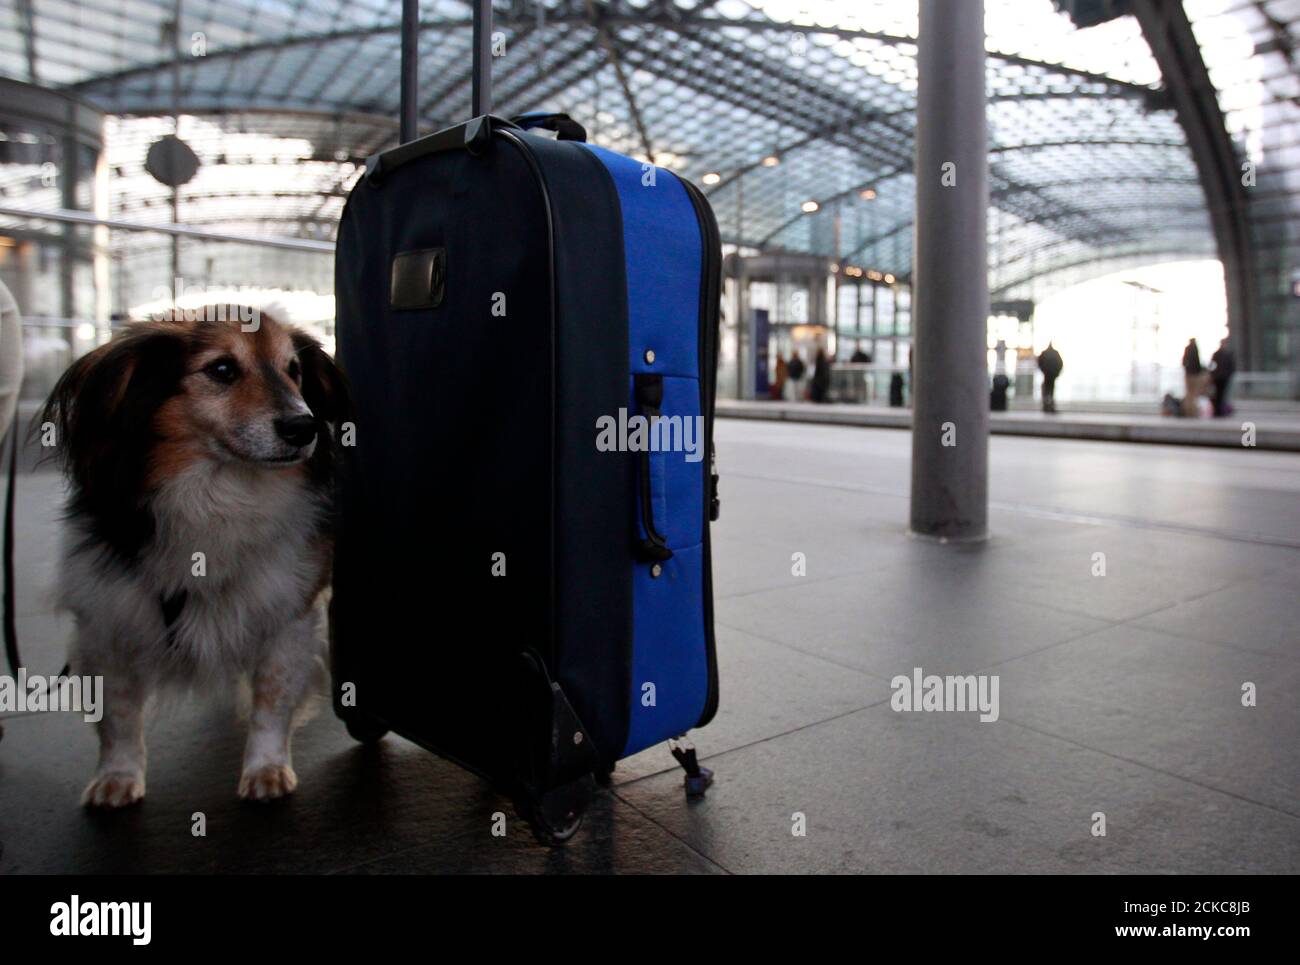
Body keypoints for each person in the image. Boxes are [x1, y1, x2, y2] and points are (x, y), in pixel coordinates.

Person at [1181, 338, 1209, 417]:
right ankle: (1191, 412)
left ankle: (1190, 411)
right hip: (1194, 375)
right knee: (1193, 394)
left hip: (1191, 374)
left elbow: (1184, 362)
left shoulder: (1190, 349)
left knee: (1190, 394)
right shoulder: (1193, 349)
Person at [1210, 337, 1236, 417]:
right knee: (1218, 394)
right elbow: (1211, 365)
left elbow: (1232, 366)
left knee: (1222, 394)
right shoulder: (1218, 353)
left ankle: (1221, 410)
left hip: (1223, 377)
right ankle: (1218, 411)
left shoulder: (1227, 354)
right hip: (1218, 377)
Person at [1037, 342, 1063, 413]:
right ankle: (1050, 406)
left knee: (1046, 391)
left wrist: (1044, 371)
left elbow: (1039, 362)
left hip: (1047, 375)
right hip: (1051, 375)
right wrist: (1056, 372)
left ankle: (1047, 406)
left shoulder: (1044, 353)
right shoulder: (1055, 353)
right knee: (1051, 391)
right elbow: (1060, 363)